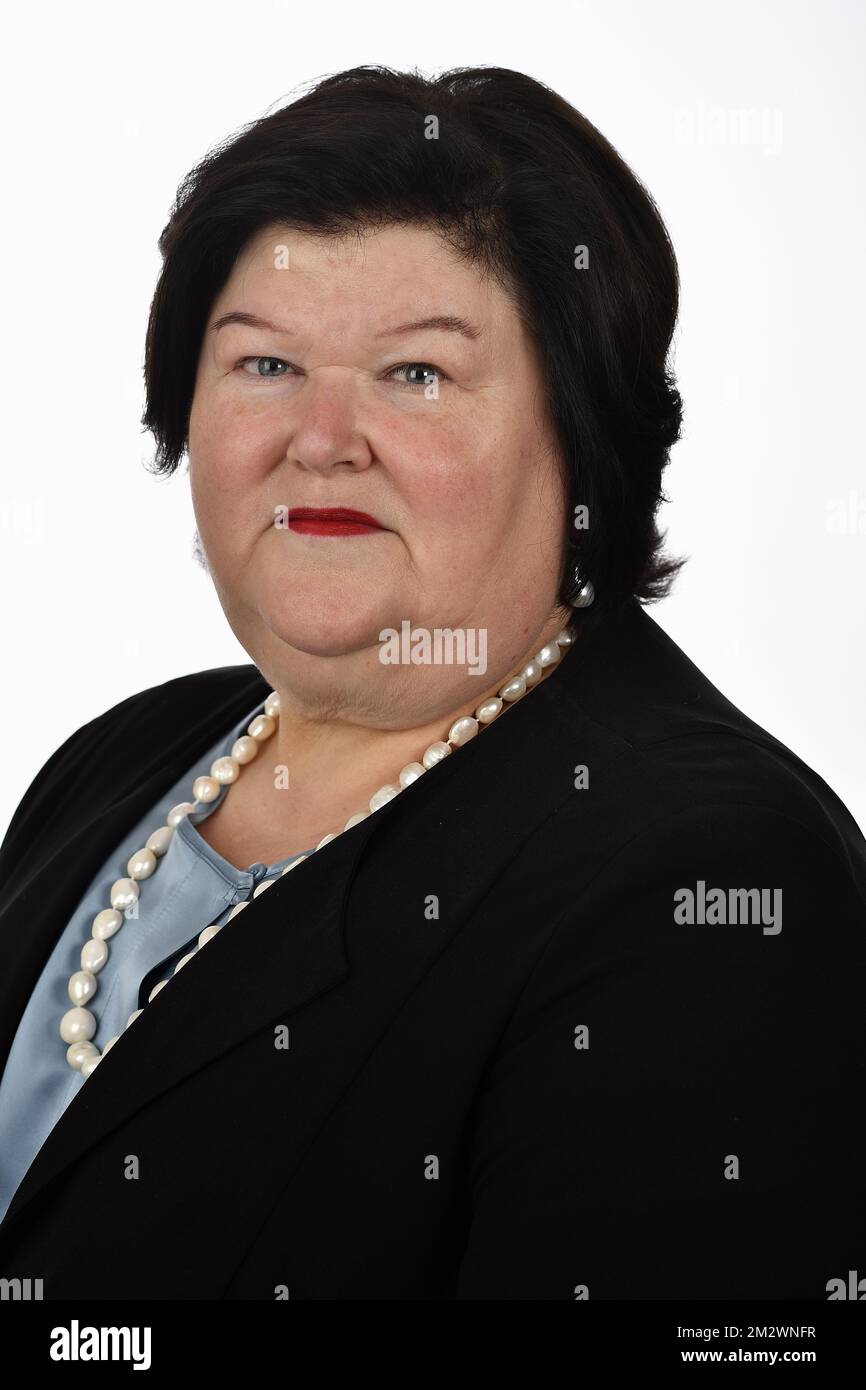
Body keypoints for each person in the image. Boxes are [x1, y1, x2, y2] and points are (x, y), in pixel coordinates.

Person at [0, 64, 863, 1300]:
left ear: (582, 435)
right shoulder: (120, 761)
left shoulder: (704, 873)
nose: (319, 436)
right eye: (261, 364)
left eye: (415, 374)